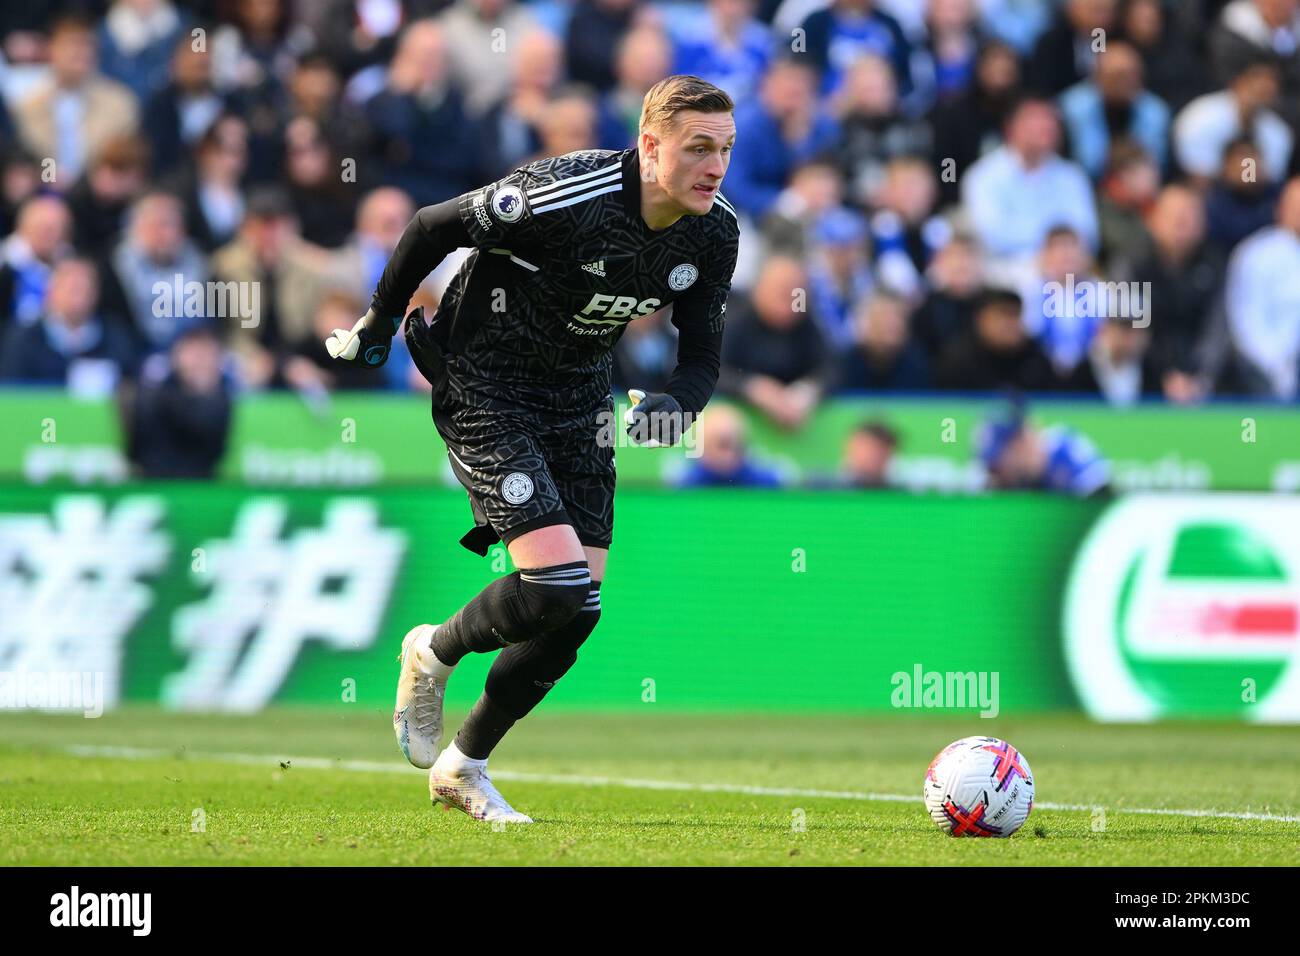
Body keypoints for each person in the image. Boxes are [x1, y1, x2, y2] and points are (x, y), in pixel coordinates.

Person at [324, 75, 740, 823]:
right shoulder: (564, 194)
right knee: (553, 588)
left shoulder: (713, 233)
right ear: (649, 147)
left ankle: (462, 767)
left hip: (580, 400)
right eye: (698, 148)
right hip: (484, 383)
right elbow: (428, 225)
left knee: (577, 612)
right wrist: (381, 320)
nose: (715, 166)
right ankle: (434, 650)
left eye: (725, 150)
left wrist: (679, 403)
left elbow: (702, 358)